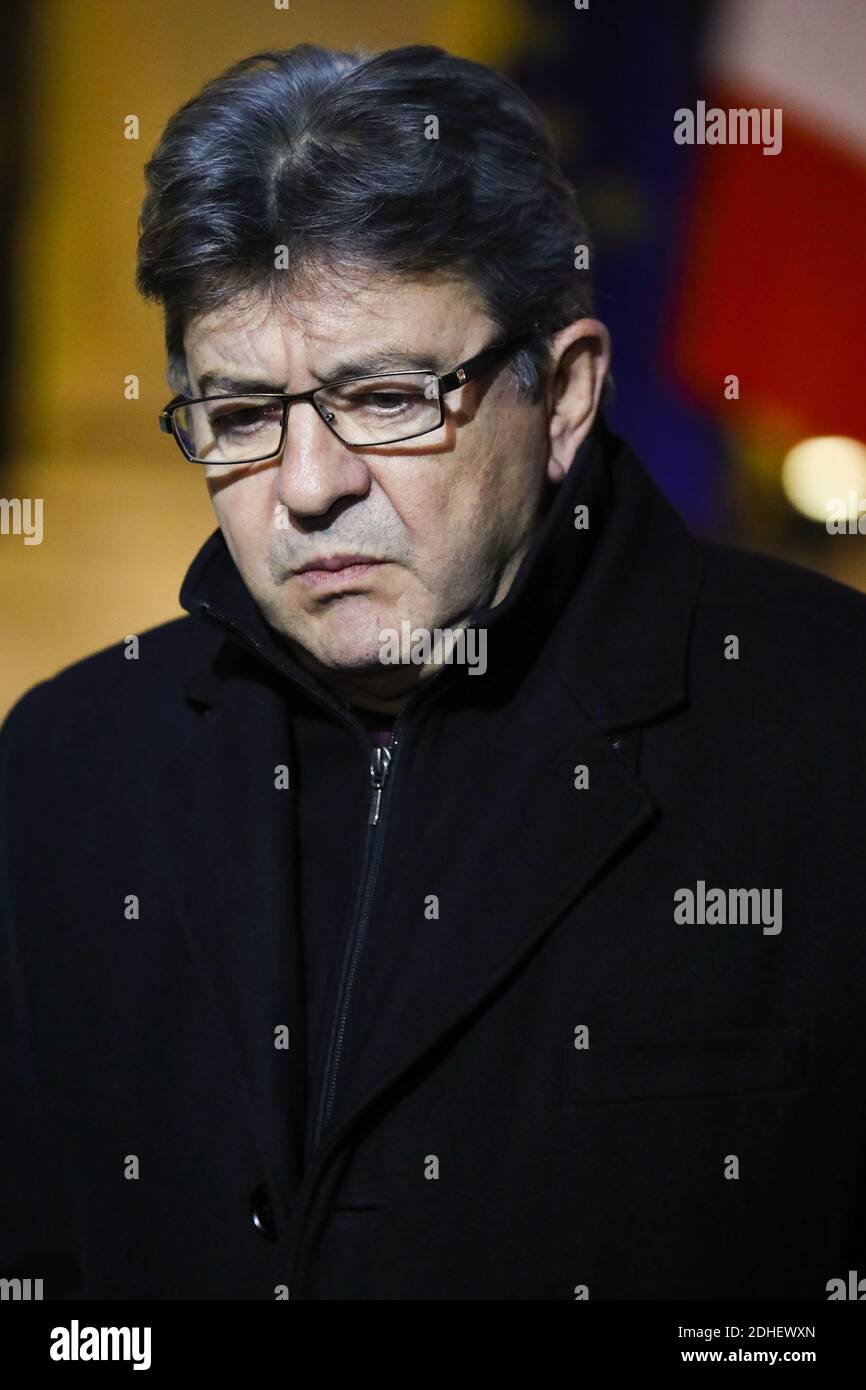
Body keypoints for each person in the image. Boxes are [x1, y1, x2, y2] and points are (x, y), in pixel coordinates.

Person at [1, 42, 865, 1302]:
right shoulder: (63, 760)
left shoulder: (832, 735)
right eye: (240, 416)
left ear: (562, 393)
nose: (307, 488)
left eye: (387, 397)